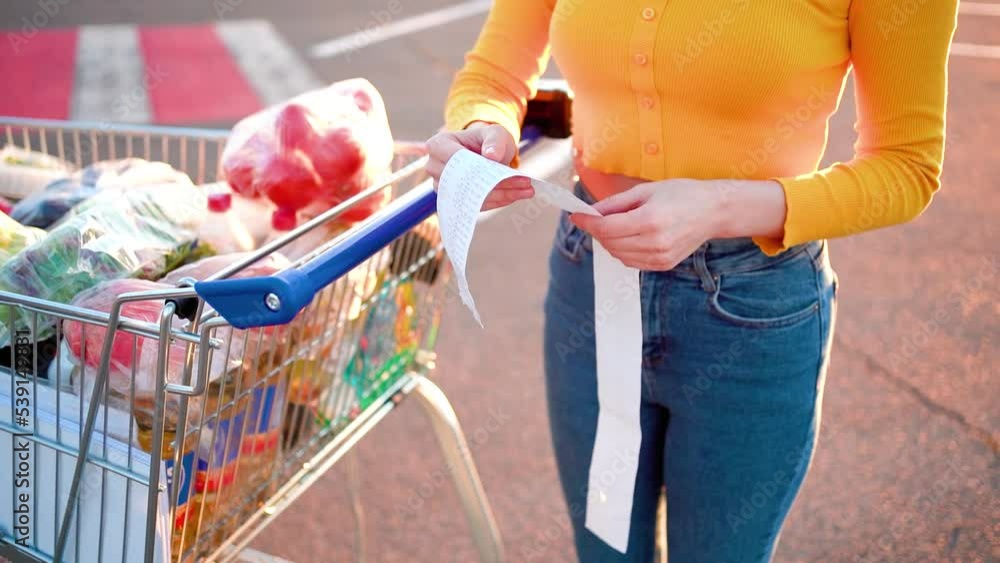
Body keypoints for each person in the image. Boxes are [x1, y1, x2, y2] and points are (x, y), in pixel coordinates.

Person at [425, 1, 958, 561]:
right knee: (603, 551)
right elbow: (494, 74)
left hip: (750, 309)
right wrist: (482, 126)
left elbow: (907, 167)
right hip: (590, 277)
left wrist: (718, 206)